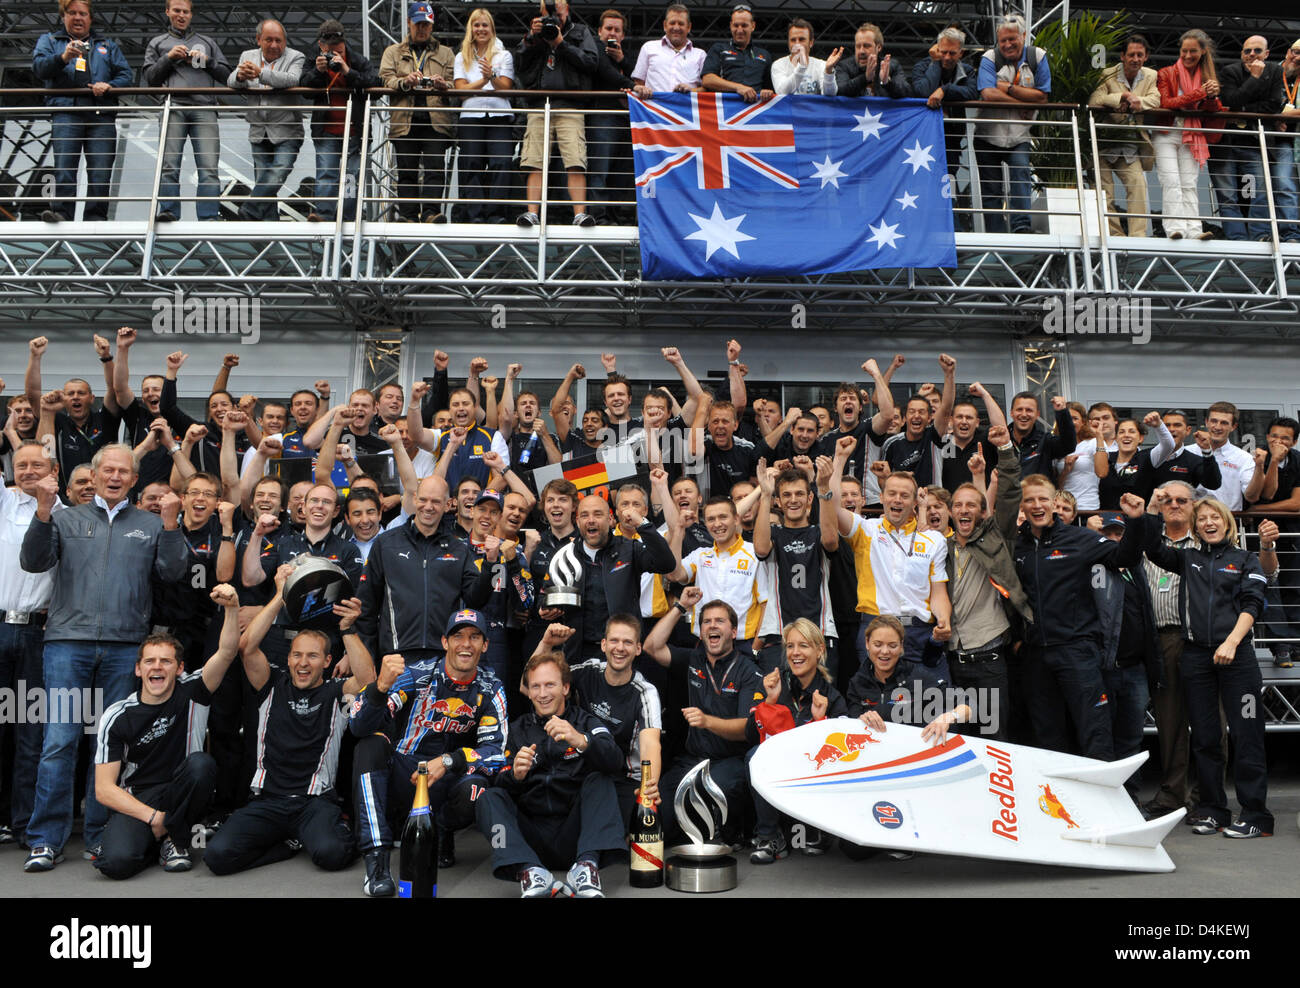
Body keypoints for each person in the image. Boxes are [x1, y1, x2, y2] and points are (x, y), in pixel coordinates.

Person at [20, 444, 186, 872]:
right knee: (59, 741)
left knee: (107, 745)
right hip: (67, 644)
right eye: (107, 470)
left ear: (134, 480)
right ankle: (45, 840)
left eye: (123, 472)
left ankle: (98, 835)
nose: (114, 477)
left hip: (125, 647)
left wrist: (170, 526)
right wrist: (42, 512)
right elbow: (33, 561)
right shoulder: (64, 517)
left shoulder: (149, 523)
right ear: (92, 477)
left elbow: (172, 572)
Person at [204, 567, 374, 874]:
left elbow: (367, 680)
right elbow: (247, 647)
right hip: (267, 801)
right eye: (297, 655)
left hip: (314, 802)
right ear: (289, 658)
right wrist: (282, 595)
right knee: (217, 856)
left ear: (327, 662)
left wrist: (348, 629)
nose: (303, 663)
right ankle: (286, 845)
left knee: (332, 855)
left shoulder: (336, 692)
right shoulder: (271, 683)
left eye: (312, 656)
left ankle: (318, 833)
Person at [1137, 491, 1273, 837]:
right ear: (1196, 527)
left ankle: (1256, 815)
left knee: (1246, 735)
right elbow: (1153, 549)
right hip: (1196, 657)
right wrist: (1152, 511)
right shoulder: (1187, 558)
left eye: (1215, 518)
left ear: (1227, 523)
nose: (1209, 523)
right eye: (1203, 519)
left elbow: (1253, 604)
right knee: (1206, 738)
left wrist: (1231, 642)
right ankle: (1214, 809)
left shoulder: (1245, 560)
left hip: (1237, 657)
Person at [350, 609, 507, 895]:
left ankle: (442, 830)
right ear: (445, 642)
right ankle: (377, 860)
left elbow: (496, 753)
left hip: (449, 779)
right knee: (369, 745)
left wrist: (450, 760)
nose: (466, 644)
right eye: (458, 636)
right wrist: (380, 686)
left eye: (474, 637)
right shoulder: (416, 674)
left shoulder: (491, 687)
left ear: (485, 645)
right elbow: (358, 725)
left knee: (479, 787)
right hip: (405, 772)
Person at [93, 585, 240, 879]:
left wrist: (232, 609)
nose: (157, 667)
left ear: (179, 668)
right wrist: (154, 818)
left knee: (201, 764)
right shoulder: (117, 715)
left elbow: (227, 651)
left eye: (166, 661)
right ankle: (157, 838)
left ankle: (175, 841)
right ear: (138, 669)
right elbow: (104, 789)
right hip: (139, 798)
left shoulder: (194, 692)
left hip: (181, 790)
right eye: (149, 661)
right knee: (115, 864)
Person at [1012, 473, 1143, 760]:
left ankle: (1100, 802)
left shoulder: (1080, 538)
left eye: (1043, 499)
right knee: (1047, 736)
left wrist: (1134, 522)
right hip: (1036, 656)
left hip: (1077, 651)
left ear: (1054, 502)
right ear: (1022, 506)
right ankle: (1056, 802)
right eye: (1030, 500)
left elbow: (1125, 558)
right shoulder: (1016, 545)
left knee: (1094, 731)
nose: (1037, 505)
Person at [475, 650, 625, 897]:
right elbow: (497, 779)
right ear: (529, 691)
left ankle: (586, 868)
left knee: (601, 780)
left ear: (566, 687)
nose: (542, 694)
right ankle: (529, 872)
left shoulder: (587, 722)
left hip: (577, 837)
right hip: (529, 840)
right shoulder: (516, 730)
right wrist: (515, 775)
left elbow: (615, 761)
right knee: (487, 798)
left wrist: (581, 740)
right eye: (536, 686)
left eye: (550, 685)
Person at [643, 588, 764, 843]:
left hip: (730, 760)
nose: (712, 626)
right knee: (658, 810)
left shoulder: (748, 671)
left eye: (720, 621)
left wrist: (707, 721)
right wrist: (680, 607)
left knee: (710, 794)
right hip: (693, 759)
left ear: (733, 631)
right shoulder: (693, 659)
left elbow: (746, 728)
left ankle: (730, 833)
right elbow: (652, 647)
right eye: (707, 621)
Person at [355, 474, 494, 676]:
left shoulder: (458, 549)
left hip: (443, 657)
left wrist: (489, 564)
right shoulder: (386, 544)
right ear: (414, 499)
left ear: (448, 505)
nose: (428, 507)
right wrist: (369, 656)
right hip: (395, 658)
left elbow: (476, 600)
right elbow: (366, 608)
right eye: (423, 500)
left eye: (436, 501)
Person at [0, 442, 65, 847]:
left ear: (53, 470)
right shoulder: (3, 505)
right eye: (20, 465)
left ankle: (23, 822)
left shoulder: (68, 516)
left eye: (36, 465)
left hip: (39, 635)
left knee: (30, 732)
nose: (27, 471)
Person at [835, 465, 952, 684]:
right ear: (881, 497)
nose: (897, 499)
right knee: (879, 707)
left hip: (919, 634)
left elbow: (938, 591)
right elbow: (833, 506)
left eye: (904, 495)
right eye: (892, 494)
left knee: (937, 703)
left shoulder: (934, 540)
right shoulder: (866, 530)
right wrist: (839, 460)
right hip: (877, 630)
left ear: (915, 503)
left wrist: (944, 619)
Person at [946, 426, 1027, 742]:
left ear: (981, 513)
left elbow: (1008, 494)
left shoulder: (995, 541)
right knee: (956, 742)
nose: (964, 509)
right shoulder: (940, 549)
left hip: (989, 662)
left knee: (996, 742)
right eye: (958, 505)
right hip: (951, 662)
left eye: (971, 505)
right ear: (951, 512)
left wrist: (1004, 450)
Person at [746, 618, 846, 863]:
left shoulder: (831, 695)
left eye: (804, 646)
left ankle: (816, 828)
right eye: (790, 646)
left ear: (820, 650)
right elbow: (749, 736)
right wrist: (769, 702)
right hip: (780, 773)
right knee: (754, 756)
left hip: (813, 775)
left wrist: (821, 721)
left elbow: (843, 754)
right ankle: (770, 836)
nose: (795, 653)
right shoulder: (775, 684)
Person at [550, 616, 662, 823]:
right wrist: (546, 643)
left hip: (625, 779)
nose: (620, 648)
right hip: (585, 772)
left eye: (627, 642)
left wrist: (649, 785)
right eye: (614, 641)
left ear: (638, 649)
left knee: (620, 832)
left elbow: (651, 744)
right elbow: (532, 686)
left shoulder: (645, 692)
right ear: (603, 644)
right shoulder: (588, 671)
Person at [32, 0, 132, 223]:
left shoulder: (107, 45)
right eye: (72, 13)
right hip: (67, 111)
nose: (78, 18)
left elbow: (126, 75)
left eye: (83, 14)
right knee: (65, 166)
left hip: (101, 114)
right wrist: (63, 57)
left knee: (101, 171)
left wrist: (109, 86)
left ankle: (96, 218)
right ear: (63, 16)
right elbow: (39, 68)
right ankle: (62, 213)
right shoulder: (50, 40)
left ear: (90, 18)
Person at [1091, 511, 1160, 800]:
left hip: (1135, 669)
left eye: (1119, 534)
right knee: (1100, 741)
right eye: (1108, 534)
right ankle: (1104, 805)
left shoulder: (1137, 567)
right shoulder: (1091, 566)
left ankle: (1129, 803)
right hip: (1102, 668)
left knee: (1132, 740)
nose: (1114, 539)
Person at [514, 0, 600, 228]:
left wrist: (561, 42)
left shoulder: (580, 32)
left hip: (570, 105)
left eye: (557, 8)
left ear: (567, 8)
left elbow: (591, 63)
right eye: (547, 10)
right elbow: (520, 66)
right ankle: (532, 212)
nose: (553, 14)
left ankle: (579, 213)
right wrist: (531, 39)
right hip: (539, 104)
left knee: (575, 160)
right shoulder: (535, 34)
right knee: (534, 161)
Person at [142, 0, 230, 222]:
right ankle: (169, 211)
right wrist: (169, 58)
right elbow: (150, 79)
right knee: (169, 164)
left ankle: (209, 216)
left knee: (209, 166)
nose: (181, 15)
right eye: (176, 11)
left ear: (191, 15)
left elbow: (226, 75)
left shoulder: (206, 42)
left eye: (185, 12)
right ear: (167, 12)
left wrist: (207, 62)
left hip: (204, 108)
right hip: (174, 107)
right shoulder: (158, 42)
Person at [380, 2, 456, 224]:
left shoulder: (446, 52)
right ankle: (408, 215)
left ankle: (431, 212)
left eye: (426, 25)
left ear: (432, 27)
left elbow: (456, 83)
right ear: (409, 23)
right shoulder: (393, 52)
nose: (422, 29)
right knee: (406, 170)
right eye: (418, 24)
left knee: (435, 167)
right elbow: (385, 78)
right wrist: (405, 82)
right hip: (405, 120)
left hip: (436, 120)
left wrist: (444, 86)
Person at [974, 14, 1050, 233]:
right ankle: (997, 236)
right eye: (1003, 40)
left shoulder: (1038, 56)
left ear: (1023, 36)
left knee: (1020, 175)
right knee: (991, 190)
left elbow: (1043, 97)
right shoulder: (990, 57)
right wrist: (1021, 102)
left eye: (1012, 39)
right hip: (987, 135)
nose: (1007, 44)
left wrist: (1007, 88)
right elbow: (988, 93)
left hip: (1020, 136)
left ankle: (1021, 228)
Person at [300, 19, 380, 222]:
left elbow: (376, 83)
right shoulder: (314, 60)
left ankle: (348, 216)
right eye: (331, 50)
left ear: (345, 43)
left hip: (355, 129)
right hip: (326, 128)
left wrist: (347, 70)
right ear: (321, 46)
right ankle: (323, 214)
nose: (336, 54)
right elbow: (305, 87)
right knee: (327, 172)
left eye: (339, 49)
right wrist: (318, 72)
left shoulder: (357, 60)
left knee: (352, 176)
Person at [228, 18, 305, 221]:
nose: (274, 45)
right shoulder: (247, 55)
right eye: (269, 40)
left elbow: (291, 79)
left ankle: (250, 210)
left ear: (285, 42)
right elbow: (231, 80)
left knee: (279, 172)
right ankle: (271, 228)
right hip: (258, 130)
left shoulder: (296, 56)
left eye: (278, 40)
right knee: (264, 182)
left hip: (288, 130)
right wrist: (240, 77)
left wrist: (260, 73)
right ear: (258, 39)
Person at [1212, 35, 1284, 242]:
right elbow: (1231, 100)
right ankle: (1236, 238)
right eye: (1247, 51)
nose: (1252, 54)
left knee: (1256, 191)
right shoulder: (1229, 71)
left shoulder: (1274, 71)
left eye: (1257, 51)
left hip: (1253, 143)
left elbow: (1273, 105)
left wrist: (1242, 108)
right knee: (1227, 194)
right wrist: (1254, 79)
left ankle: (1259, 234)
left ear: (1267, 54)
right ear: (1241, 53)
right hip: (1226, 144)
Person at [1088, 34, 1160, 237]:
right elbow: (1095, 99)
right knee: (1104, 194)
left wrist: (1138, 102)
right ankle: (1115, 236)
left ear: (1146, 57)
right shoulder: (1107, 74)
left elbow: (1156, 99)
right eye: (1131, 55)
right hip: (1103, 142)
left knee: (1137, 185)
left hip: (1129, 144)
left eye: (1140, 55)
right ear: (1122, 56)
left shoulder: (1150, 75)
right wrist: (1122, 96)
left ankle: (1138, 236)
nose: (1135, 59)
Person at [1154, 30, 1221, 240]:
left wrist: (1212, 95)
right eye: (1184, 51)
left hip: (1192, 133)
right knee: (1171, 181)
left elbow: (1212, 109)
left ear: (1202, 51)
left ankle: (1194, 231)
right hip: (1167, 132)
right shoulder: (1166, 73)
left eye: (1193, 51)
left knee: (1189, 183)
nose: (1188, 55)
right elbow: (1167, 103)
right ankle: (1175, 228)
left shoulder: (1207, 76)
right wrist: (1200, 92)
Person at [912, 27, 979, 229]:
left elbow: (971, 93)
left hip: (950, 140)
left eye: (952, 53)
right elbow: (922, 90)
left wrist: (944, 90)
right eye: (943, 52)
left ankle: (953, 229)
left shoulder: (967, 71)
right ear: (936, 49)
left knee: (947, 184)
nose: (947, 57)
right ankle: (925, 229)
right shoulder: (923, 66)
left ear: (961, 53)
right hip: (922, 141)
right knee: (923, 186)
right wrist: (935, 63)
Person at [453, 9, 515, 224]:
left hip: (499, 115)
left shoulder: (504, 55)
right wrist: (484, 81)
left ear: (492, 29)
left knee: (501, 162)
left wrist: (492, 77)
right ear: (471, 29)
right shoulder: (461, 56)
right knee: (471, 163)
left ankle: (496, 214)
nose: (480, 29)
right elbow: (460, 90)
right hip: (471, 115)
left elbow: (506, 87)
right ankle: (474, 214)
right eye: (476, 25)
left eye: (484, 25)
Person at [588, 8, 636, 224]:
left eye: (617, 30)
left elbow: (639, 74)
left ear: (623, 35)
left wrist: (623, 60)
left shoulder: (628, 55)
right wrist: (631, 85)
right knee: (601, 166)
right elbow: (605, 72)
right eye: (608, 28)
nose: (612, 33)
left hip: (627, 117)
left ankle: (616, 214)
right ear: (600, 31)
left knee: (622, 168)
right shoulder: (595, 48)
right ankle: (599, 215)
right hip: (603, 115)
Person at [1096, 413, 1176, 508]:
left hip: (1138, 519)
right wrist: (1099, 438)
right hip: (1108, 519)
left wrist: (1159, 425)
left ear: (1140, 438)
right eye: (1121, 432)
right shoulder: (1107, 458)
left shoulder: (1148, 457)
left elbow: (1169, 445)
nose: (1126, 435)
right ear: (1116, 438)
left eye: (1132, 431)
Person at [701, 3, 774, 103]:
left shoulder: (764, 55)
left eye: (744, 25)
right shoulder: (719, 48)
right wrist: (738, 87)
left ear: (753, 26)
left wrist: (767, 91)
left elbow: (771, 88)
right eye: (736, 25)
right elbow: (707, 79)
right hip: (726, 108)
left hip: (755, 111)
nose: (739, 30)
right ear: (731, 26)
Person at [632, 4, 705, 98]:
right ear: (665, 25)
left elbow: (707, 88)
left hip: (685, 110)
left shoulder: (700, 55)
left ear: (689, 27)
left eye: (681, 24)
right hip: (654, 110)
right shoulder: (649, 47)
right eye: (672, 23)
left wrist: (691, 90)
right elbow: (638, 83)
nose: (676, 27)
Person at [1196, 400, 1257, 510]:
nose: (1218, 427)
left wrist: (1260, 468)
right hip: (1192, 520)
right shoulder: (1189, 451)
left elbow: (1251, 495)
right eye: (1214, 421)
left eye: (1224, 423)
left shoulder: (1244, 458)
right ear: (1206, 422)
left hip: (1229, 520)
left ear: (1233, 426)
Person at [1007, 391, 1075, 483]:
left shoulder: (1045, 440)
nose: (1024, 414)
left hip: (1037, 496)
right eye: (1019, 409)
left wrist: (1062, 412)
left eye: (1029, 410)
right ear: (1011, 413)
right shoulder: (1000, 440)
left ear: (1037, 414)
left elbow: (1068, 446)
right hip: (1007, 497)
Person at [834, 22, 908, 98]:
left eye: (866, 46)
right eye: (858, 46)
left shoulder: (892, 66)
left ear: (878, 47)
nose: (861, 51)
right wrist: (865, 78)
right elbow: (839, 91)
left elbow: (907, 92)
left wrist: (887, 82)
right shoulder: (844, 66)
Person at [770, 18, 842, 95]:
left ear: (811, 42)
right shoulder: (779, 64)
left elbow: (830, 95)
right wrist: (801, 67)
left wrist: (828, 72)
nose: (797, 44)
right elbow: (782, 92)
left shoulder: (821, 65)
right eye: (793, 40)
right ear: (788, 43)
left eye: (801, 39)